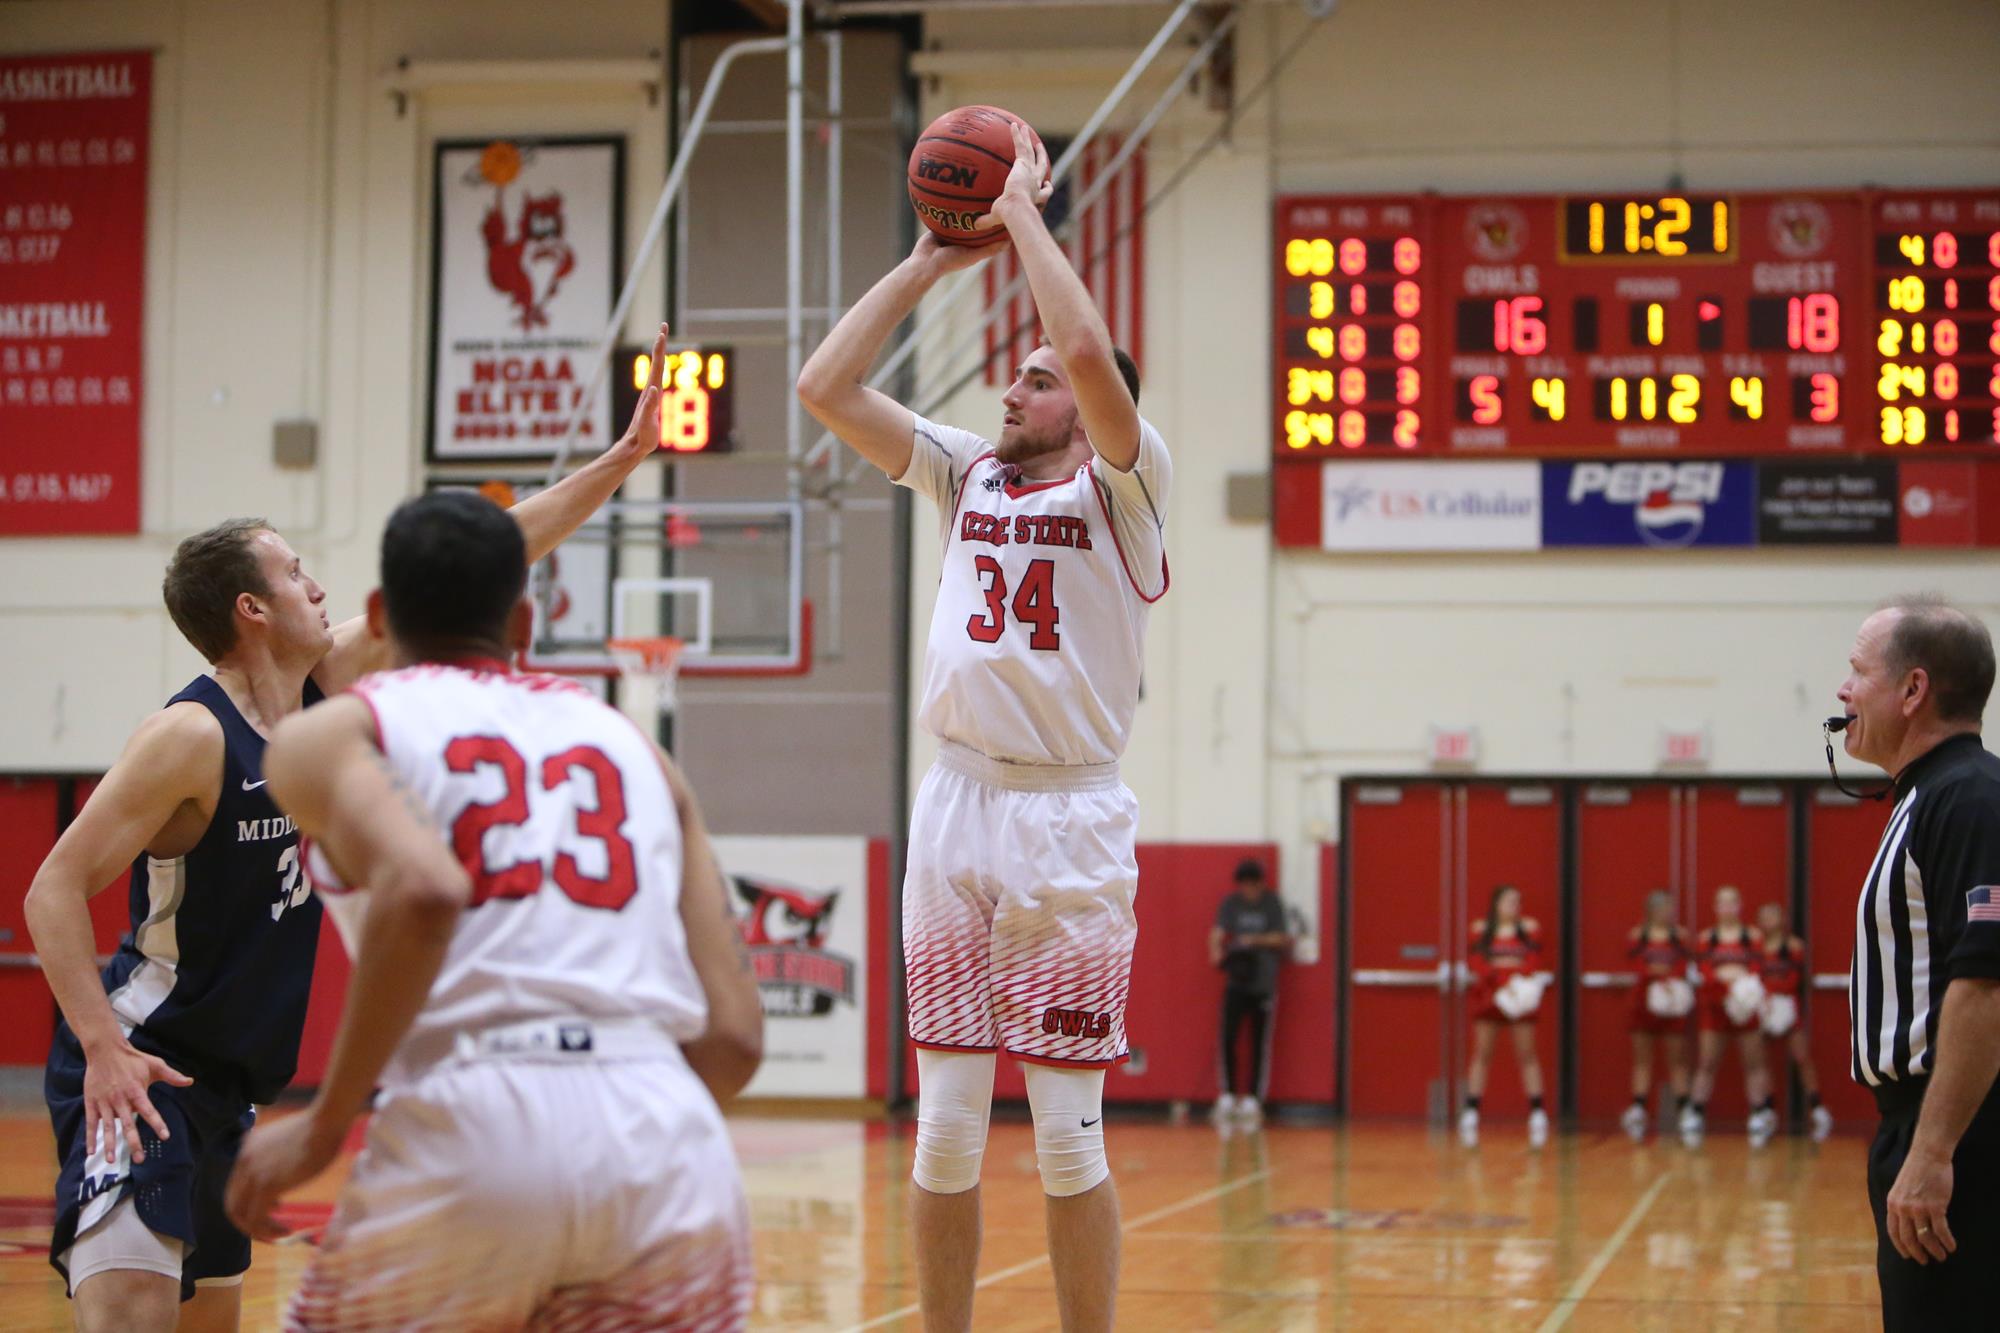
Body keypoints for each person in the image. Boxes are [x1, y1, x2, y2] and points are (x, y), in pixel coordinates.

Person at [22, 325, 680, 1333]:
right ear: (251, 608)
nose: (318, 586)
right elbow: (52, 887)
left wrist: (625, 457)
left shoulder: (325, 690)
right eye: (295, 573)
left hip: (230, 1086)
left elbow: (490, 559)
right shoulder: (189, 736)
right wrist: (102, 1047)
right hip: (146, 1064)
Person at [222, 489, 761, 1328]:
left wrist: (324, 1125)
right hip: (665, 1132)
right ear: (523, 623)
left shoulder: (335, 734)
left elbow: (425, 889)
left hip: (475, 1117)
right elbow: (734, 1038)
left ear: (377, 613)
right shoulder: (639, 750)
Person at [797, 120, 1168, 1333]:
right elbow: (823, 389)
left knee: (1065, 1138)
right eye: (1015, 374)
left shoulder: (1126, 485)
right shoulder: (967, 473)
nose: (1013, 386)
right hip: (954, 799)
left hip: (1069, 813)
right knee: (945, 1127)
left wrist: (1017, 215)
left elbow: (1086, 346)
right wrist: (923, 262)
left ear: (1094, 407)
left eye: (1037, 379)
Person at [1835, 594, 2000, 1330]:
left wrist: (1933, 1151)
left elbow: (1986, 983)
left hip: (1962, 1130)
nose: (1843, 690)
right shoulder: (1928, 794)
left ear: (1913, 690)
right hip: (1930, 1125)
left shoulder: (1969, 797)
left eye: (1857, 671)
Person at [1457, 885, 1550, 1149]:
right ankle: (1471, 1110)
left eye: (1518, 902)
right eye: (1509, 901)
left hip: (1519, 997)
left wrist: (1516, 981)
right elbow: (1478, 963)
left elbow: (1533, 961)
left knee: (1527, 1053)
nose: (1515, 906)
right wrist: (1499, 980)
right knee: (1482, 1052)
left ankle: (1537, 1111)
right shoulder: (1481, 930)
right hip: (1490, 996)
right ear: (1496, 904)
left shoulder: (1529, 929)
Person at [1684, 885, 1776, 1148]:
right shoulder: (1706, 938)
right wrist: (1722, 981)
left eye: (1732, 903)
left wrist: (1741, 983)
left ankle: (1759, 1111)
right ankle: (1695, 1111)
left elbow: (1759, 968)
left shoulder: (1752, 936)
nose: (1727, 908)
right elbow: (1703, 970)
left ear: (1739, 906)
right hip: (1715, 1006)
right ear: (1715, 907)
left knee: (1754, 1060)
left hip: (1745, 1006)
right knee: (1707, 1060)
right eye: (1722, 903)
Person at [1208, 859, 1292, 1127]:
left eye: (1251, 885)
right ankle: (1229, 1094)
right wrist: (1216, 950)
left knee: (1259, 1041)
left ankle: (1254, 1098)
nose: (1247, 890)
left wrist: (1252, 940)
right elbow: (1217, 932)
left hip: (1263, 983)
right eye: (1243, 885)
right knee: (1228, 1037)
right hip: (1237, 981)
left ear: (1260, 884)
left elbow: (1282, 937)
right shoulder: (1231, 904)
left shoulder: (1271, 904)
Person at [1754, 900, 1836, 1143]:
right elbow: (1754, 975)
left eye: (1772, 915)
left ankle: (1817, 1106)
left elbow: (1795, 979)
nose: (1768, 921)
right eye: (1764, 916)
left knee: (1802, 1057)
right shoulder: (1757, 947)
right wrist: (1762, 996)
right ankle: (1766, 1107)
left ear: (1782, 919)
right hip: (1764, 1008)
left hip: (1789, 1009)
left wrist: (1777, 993)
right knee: (1761, 1060)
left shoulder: (1794, 947)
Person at [1622, 889, 1695, 1142]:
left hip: (1672, 1001)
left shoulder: (1680, 936)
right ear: (1651, 910)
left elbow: (1682, 966)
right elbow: (1637, 965)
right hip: (1644, 1000)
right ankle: (1638, 1107)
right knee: (1642, 1058)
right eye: (1662, 907)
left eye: (1670, 907)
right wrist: (1655, 975)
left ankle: (1684, 1109)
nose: (1667, 912)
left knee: (1677, 1058)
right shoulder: (1638, 935)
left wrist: (1668, 979)